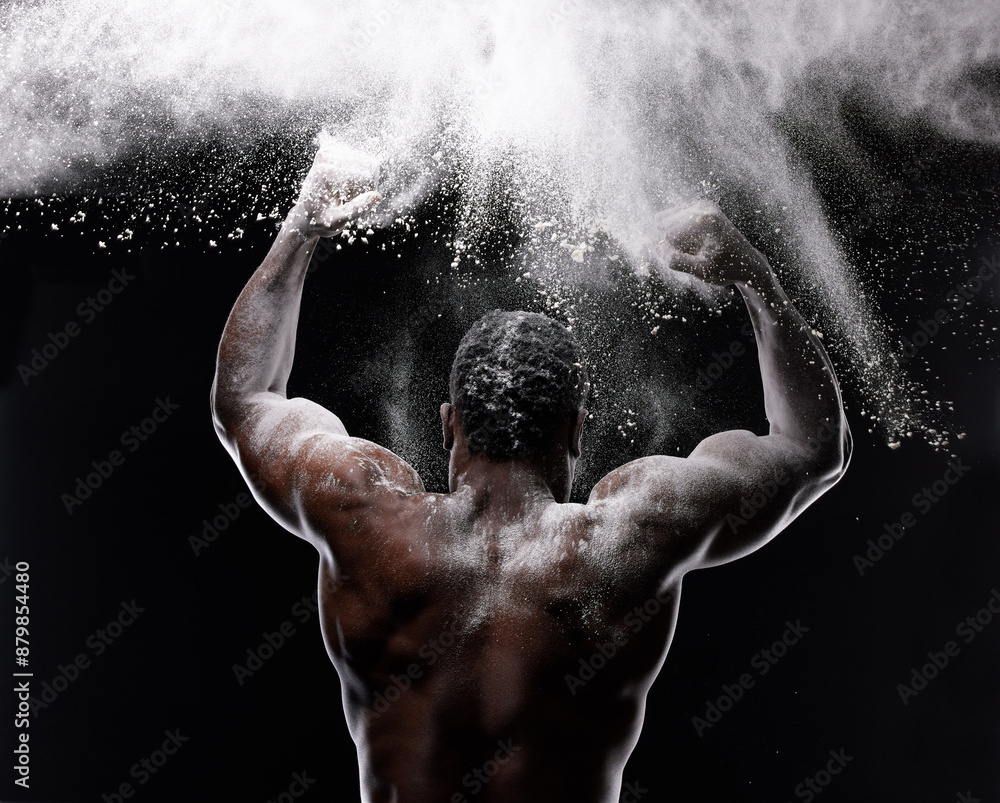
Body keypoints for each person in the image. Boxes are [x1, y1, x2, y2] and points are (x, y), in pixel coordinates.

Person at [211, 141, 852, 803]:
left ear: (448, 424)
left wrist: (302, 228)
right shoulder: (627, 537)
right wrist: (756, 280)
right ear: (576, 429)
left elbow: (243, 399)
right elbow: (811, 447)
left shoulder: (365, 515)